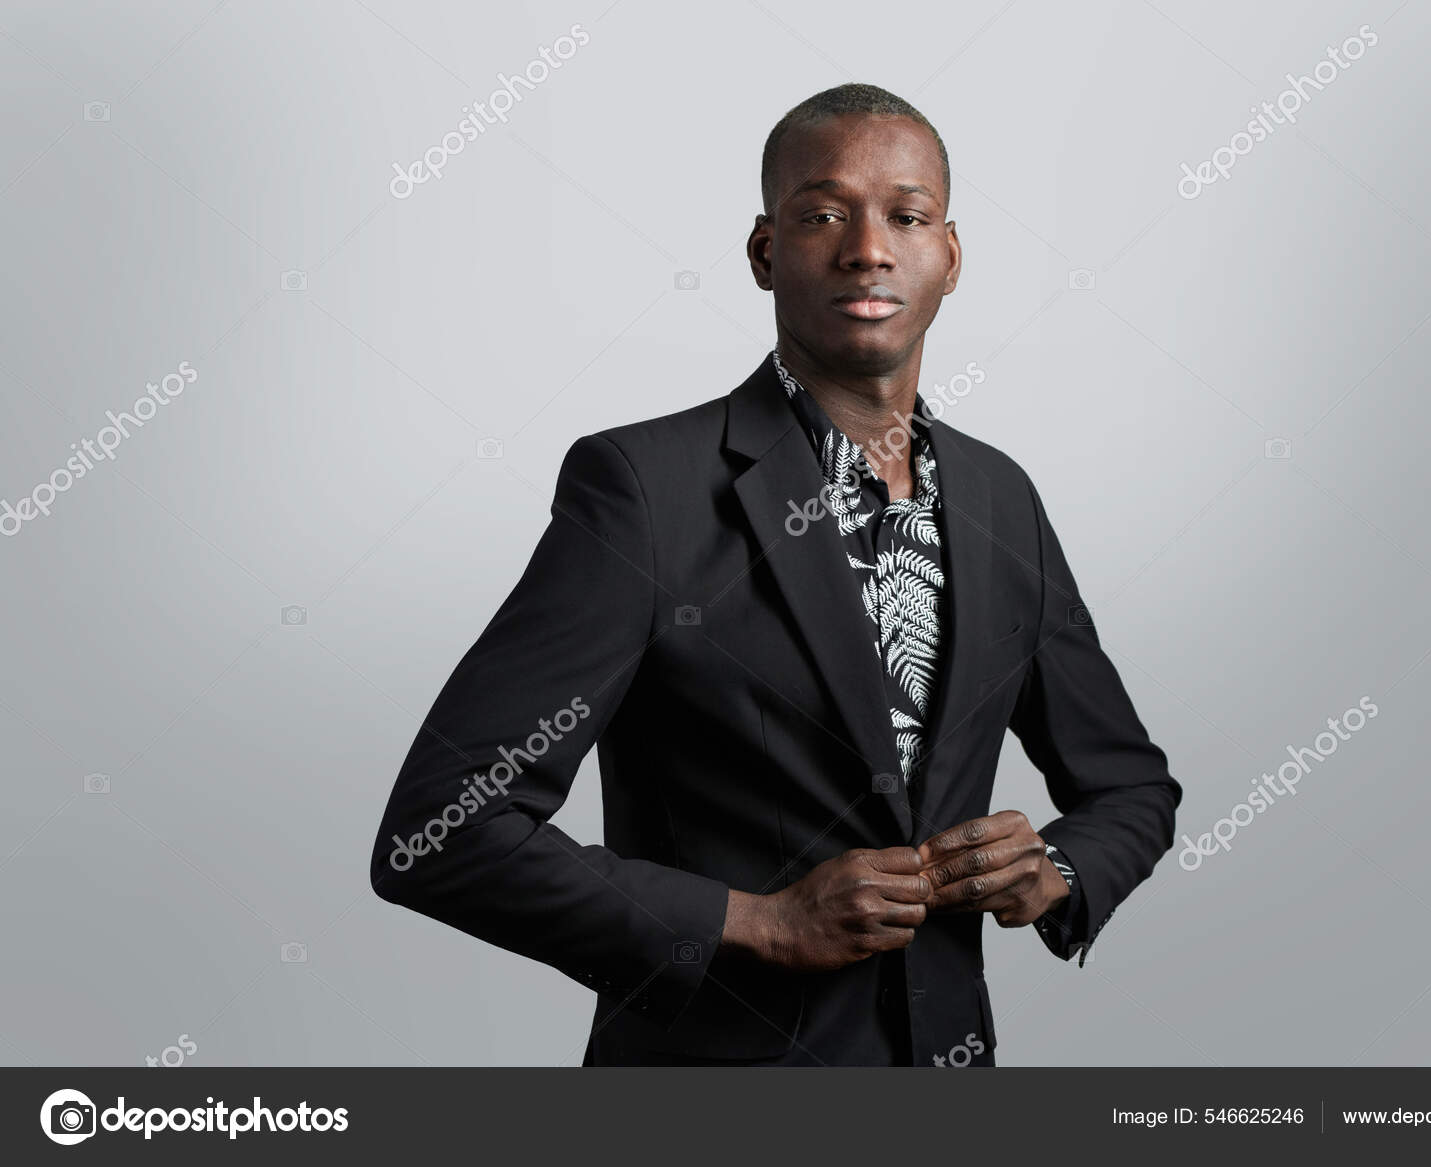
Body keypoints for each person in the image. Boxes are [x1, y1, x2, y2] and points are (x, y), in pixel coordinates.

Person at [369, 82, 1181, 1066]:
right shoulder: (643, 489)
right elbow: (442, 831)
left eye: (906, 215)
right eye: (823, 214)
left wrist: (1056, 867)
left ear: (950, 255)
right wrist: (753, 921)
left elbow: (1129, 786)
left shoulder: (999, 498)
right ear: (764, 251)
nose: (867, 248)